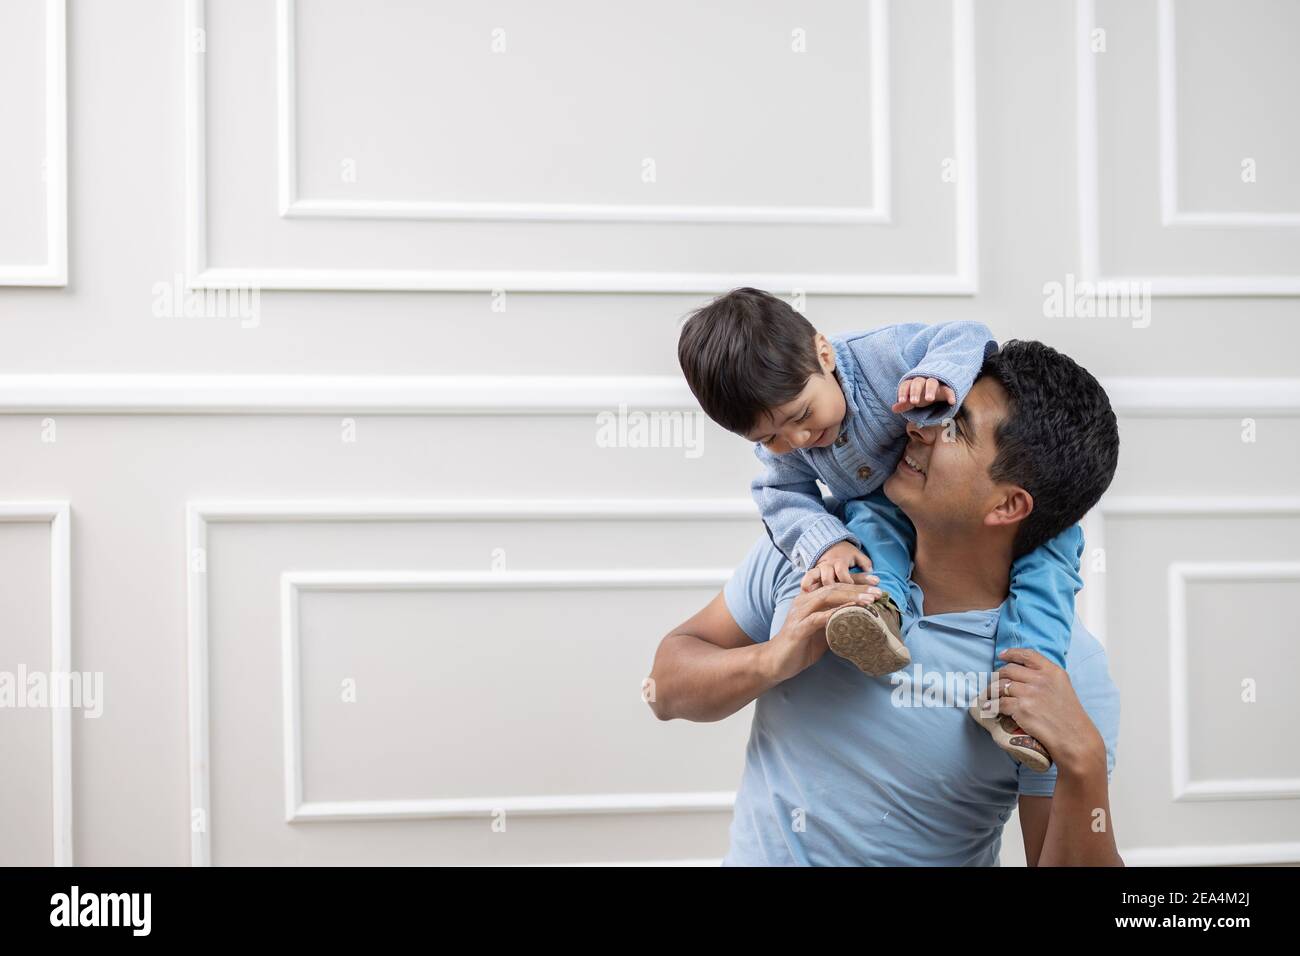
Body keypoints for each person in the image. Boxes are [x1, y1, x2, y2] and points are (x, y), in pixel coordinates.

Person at [649, 340, 1123, 865]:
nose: (917, 424)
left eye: (954, 426)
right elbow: (664, 689)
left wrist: (1083, 760)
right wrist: (770, 659)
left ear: (1008, 504)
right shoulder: (820, 555)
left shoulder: (1060, 672)